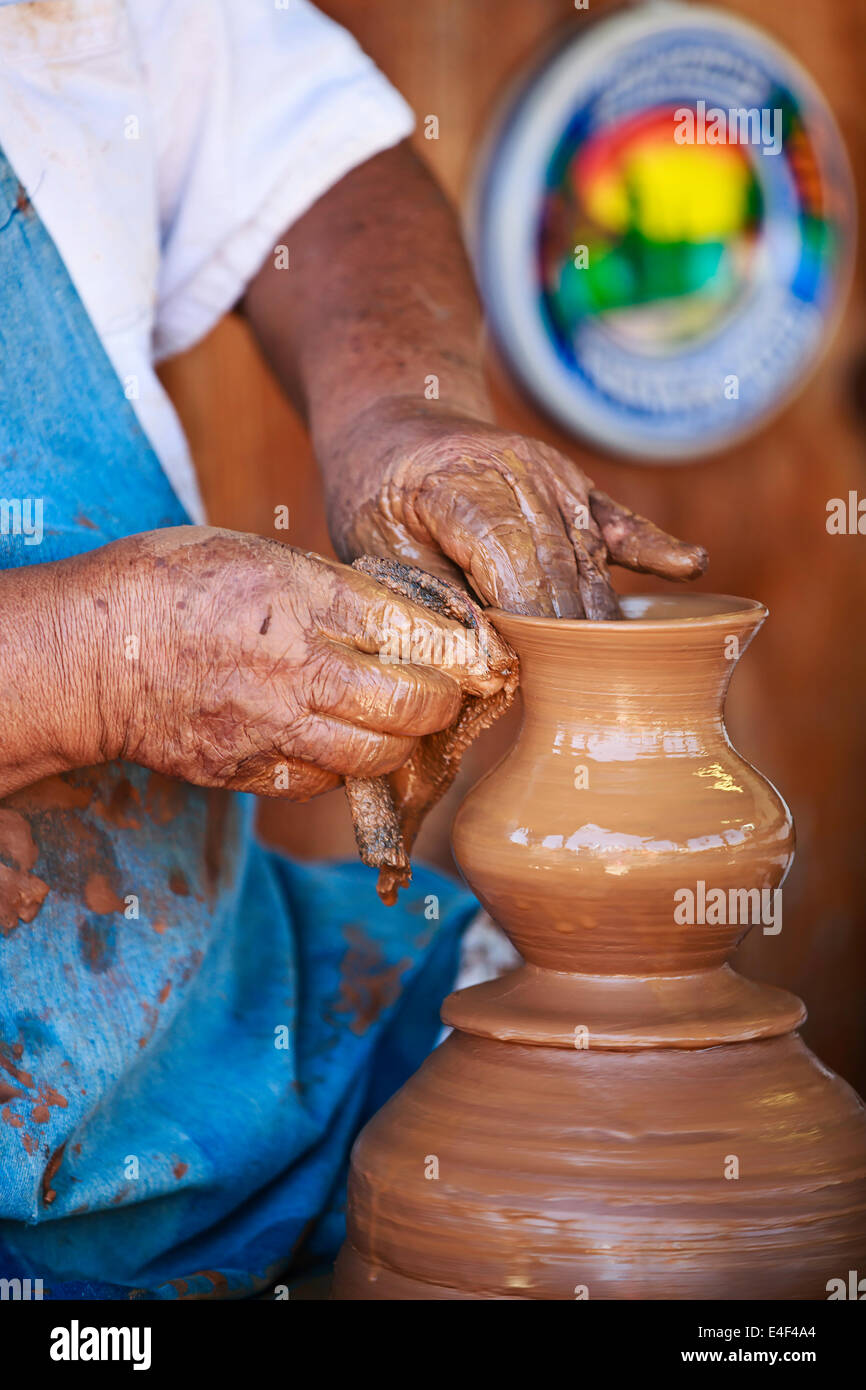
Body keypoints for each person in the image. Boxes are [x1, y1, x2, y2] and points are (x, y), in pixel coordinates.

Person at [0, 0, 704, 1297]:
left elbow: (326, 164)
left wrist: (404, 416)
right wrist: (100, 663)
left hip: (223, 1052)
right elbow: (104, 661)